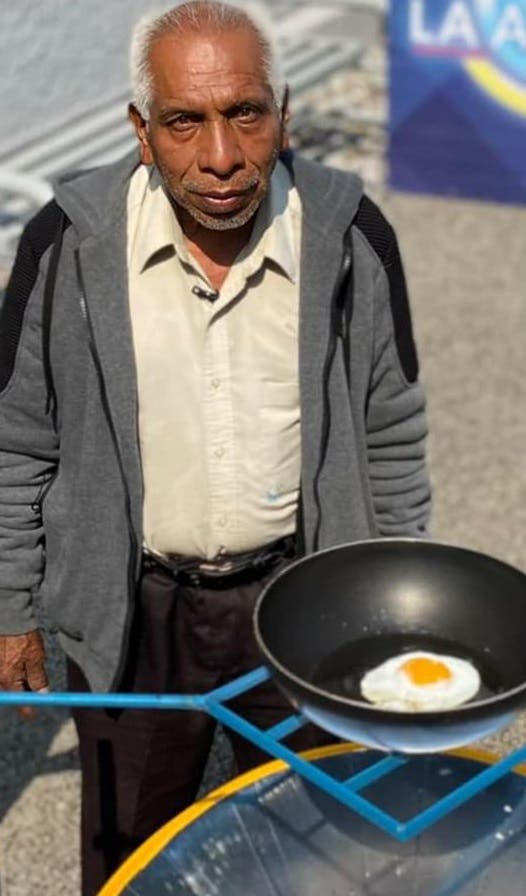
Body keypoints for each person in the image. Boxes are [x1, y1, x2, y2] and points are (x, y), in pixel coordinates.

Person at [0, 1, 431, 892]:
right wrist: (9, 610)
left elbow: (391, 428)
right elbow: (16, 444)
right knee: (134, 856)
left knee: (320, 835)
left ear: (285, 109)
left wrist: (398, 596)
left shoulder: (351, 240)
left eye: (246, 112)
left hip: (302, 598)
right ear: (141, 130)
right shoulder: (66, 250)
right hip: (135, 611)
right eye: (184, 121)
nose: (223, 158)